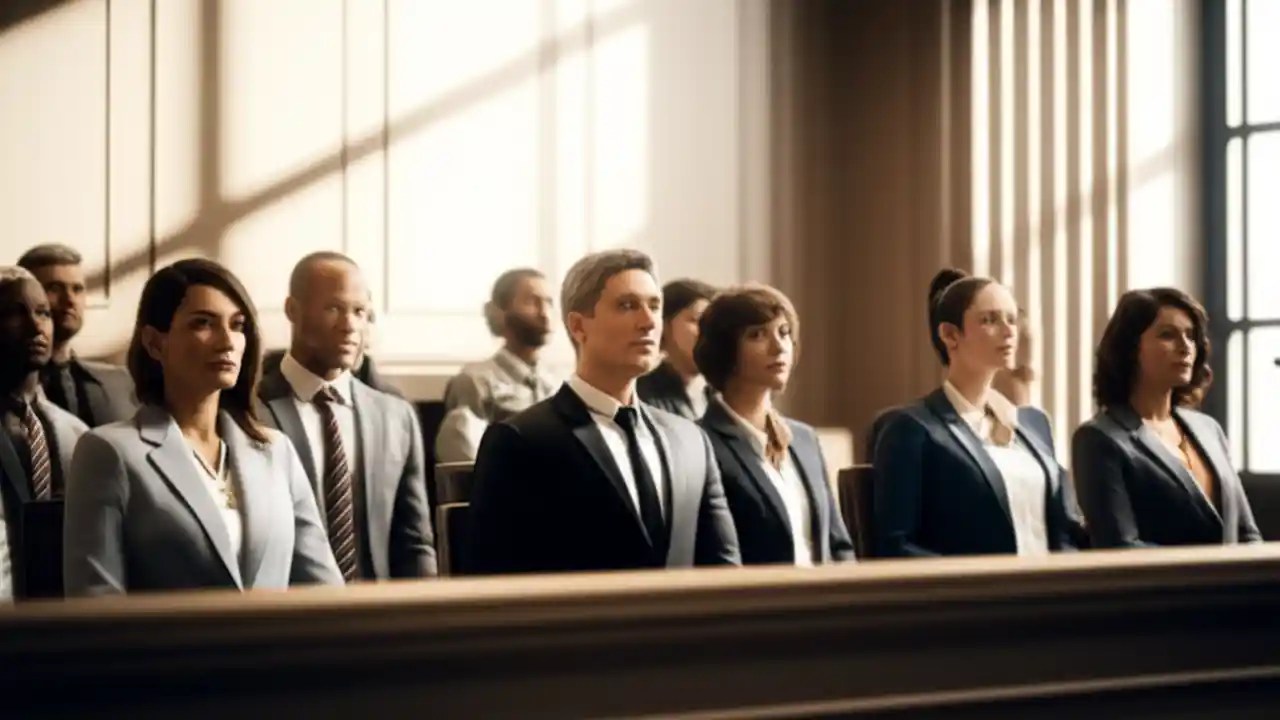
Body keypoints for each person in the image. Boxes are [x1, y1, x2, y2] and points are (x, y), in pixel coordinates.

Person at [63, 259, 343, 595]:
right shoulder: (109, 452)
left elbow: (325, 591)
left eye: (237, 325)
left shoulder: (276, 451)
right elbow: (96, 603)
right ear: (155, 343)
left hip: (275, 633)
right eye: (203, 323)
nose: (227, 341)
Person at [468, 249, 740, 574]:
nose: (648, 321)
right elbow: (493, 578)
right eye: (627, 305)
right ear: (578, 326)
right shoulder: (519, 440)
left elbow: (724, 571)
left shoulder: (691, 439)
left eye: (654, 306)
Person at [873, 268, 1084, 557]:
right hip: (974, 585)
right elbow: (895, 545)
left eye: (1012, 319)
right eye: (990, 320)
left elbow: (1066, 530)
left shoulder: (1034, 424)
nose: (1009, 331)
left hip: (1054, 583)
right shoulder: (912, 428)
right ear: (950, 335)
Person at [257, 252, 435, 581]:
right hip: (284, 607)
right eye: (333, 308)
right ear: (292, 310)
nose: (350, 325)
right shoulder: (248, 411)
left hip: (377, 606)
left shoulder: (396, 416)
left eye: (359, 312)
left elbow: (414, 543)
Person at [1072, 288, 1262, 547]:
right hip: (1162, 576)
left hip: (1238, 576)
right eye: (1167, 335)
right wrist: (1210, 568)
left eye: (1191, 336)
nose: (1185, 347)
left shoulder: (1208, 429)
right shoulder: (1099, 439)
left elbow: (1248, 534)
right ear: (1130, 348)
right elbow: (1120, 547)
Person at [695, 284, 855, 566]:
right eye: (757, 334)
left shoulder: (804, 438)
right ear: (724, 350)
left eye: (784, 332)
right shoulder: (700, 442)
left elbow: (838, 545)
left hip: (824, 593)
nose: (779, 347)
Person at [0, 267, 88, 600]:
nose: (36, 326)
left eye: (43, 313)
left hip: (63, 607)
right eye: (14, 312)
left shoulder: (75, 433)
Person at [435, 268, 560, 463]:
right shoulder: (475, 381)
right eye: (531, 302)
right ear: (502, 311)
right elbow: (463, 461)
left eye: (549, 303)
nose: (545, 314)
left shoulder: (558, 383)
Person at [17, 244, 137, 426]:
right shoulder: (11, 386)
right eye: (55, 288)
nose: (70, 299)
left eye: (77, 289)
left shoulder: (121, 383)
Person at [637, 279, 717, 420]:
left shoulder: (720, 393)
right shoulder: (643, 394)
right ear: (664, 324)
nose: (709, 331)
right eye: (697, 320)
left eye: (714, 324)